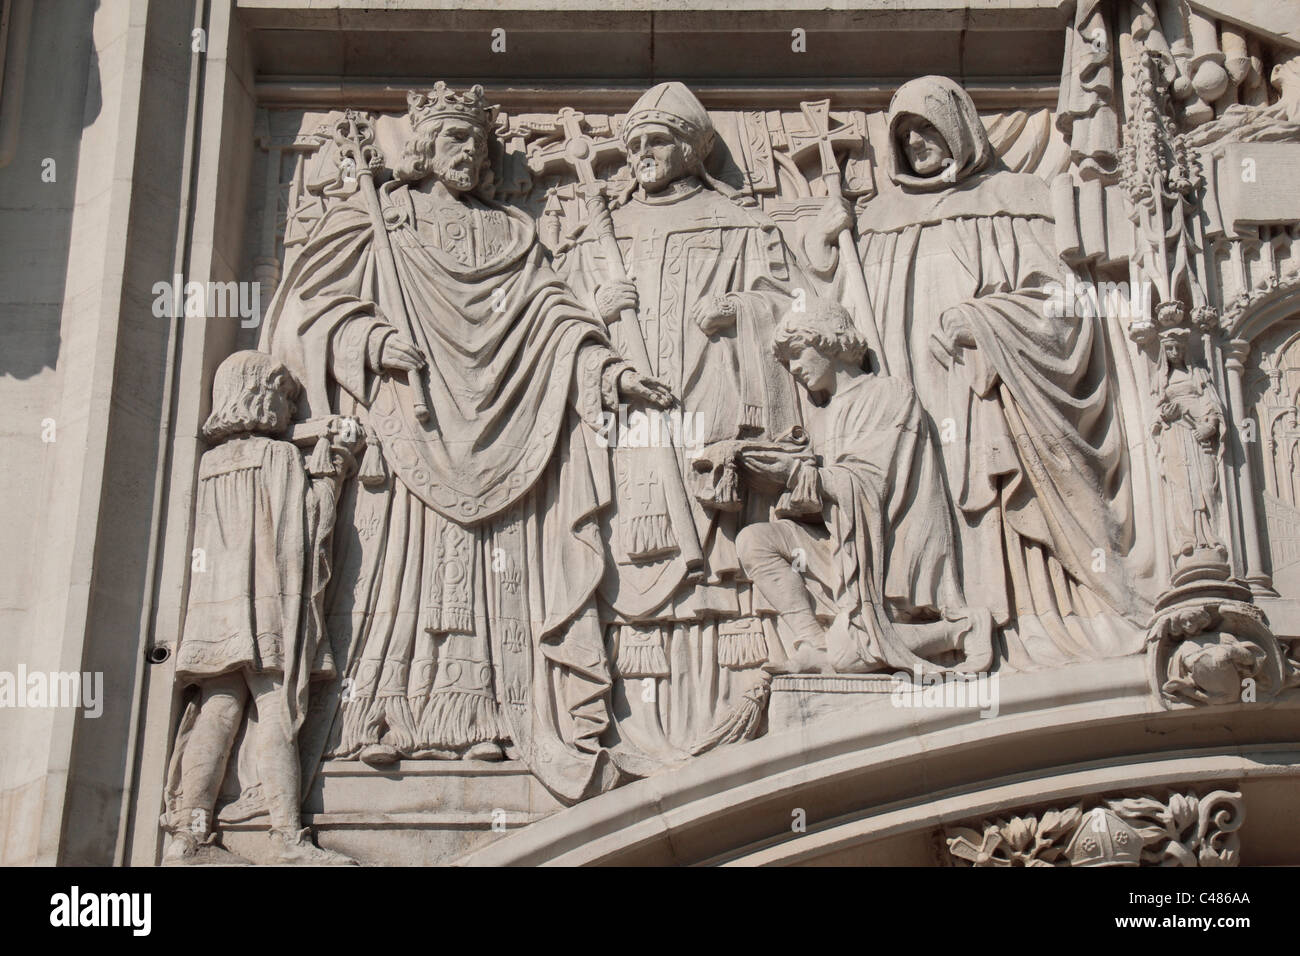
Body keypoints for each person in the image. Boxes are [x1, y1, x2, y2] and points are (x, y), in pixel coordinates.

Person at [261, 84, 670, 803]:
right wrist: (372, 338)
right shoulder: (383, 218)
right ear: (422, 147)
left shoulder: (514, 233)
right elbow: (306, 315)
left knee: (491, 583)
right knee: (390, 579)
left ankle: (492, 718)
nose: (466, 153)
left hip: (508, 437)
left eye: (475, 144)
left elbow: (557, 319)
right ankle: (378, 719)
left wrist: (609, 371)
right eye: (452, 140)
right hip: (407, 429)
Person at [806, 75, 1150, 668]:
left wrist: (985, 321)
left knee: (998, 494)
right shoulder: (880, 220)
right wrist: (823, 247)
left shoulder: (1016, 198)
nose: (916, 144)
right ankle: (940, 617)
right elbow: (839, 330)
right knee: (921, 492)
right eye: (905, 134)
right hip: (907, 397)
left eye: (928, 128)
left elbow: (1063, 306)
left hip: (991, 390)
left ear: (961, 126)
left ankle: (1028, 618)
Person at [557, 81, 808, 759]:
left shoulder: (741, 224)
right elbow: (551, 336)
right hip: (629, 428)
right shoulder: (597, 237)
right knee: (637, 562)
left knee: (722, 576)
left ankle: (742, 693)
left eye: (657, 141)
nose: (642, 153)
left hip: (712, 416)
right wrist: (597, 313)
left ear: (693, 149)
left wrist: (740, 310)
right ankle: (643, 721)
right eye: (632, 143)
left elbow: (798, 313)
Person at [164, 350, 352, 865]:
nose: (291, 411)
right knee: (276, 713)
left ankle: (188, 832)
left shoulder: (208, 463)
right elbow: (302, 533)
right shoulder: (278, 459)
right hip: (266, 607)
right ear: (265, 396)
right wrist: (331, 476)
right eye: (287, 399)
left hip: (212, 612)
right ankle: (287, 836)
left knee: (218, 710)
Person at [736, 303, 991, 676]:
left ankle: (960, 629)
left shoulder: (888, 394)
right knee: (754, 541)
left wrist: (797, 473)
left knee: (851, 658)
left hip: (887, 553)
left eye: (797, 354)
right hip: (840, 545)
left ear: (826, 342)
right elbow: (826, 499)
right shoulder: (822, 417)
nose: (793, 369)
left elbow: (870, 483)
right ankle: (813, 642)